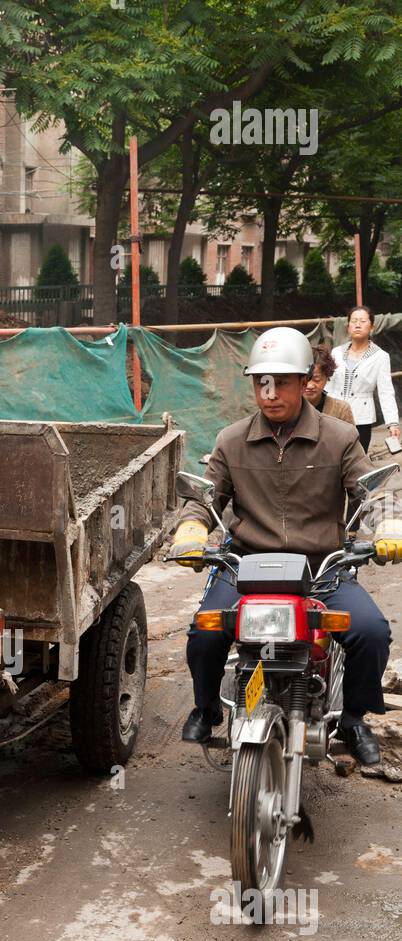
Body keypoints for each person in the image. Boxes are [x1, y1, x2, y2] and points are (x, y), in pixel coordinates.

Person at [170, 325, 402, 766]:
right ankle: (207, 707)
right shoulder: (231, 438)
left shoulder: (340, 437)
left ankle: (352, 719)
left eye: (281, 382)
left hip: (322, 568)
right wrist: (193, 531)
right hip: (247, 566)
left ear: (304, 382)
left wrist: (389, 525)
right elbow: (204, 498)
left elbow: (372, 492)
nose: (270, 393)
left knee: (372, 633)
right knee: (204, 632)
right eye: (261, 382)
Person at [326, 305, 400, 454]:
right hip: (332, 416)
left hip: (361, 417)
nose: (358, 324)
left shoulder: (380, 356)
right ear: (348, 327)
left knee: (357, 461)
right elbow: (327, 386)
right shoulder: (336, 352)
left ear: (372, 327)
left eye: (363, 321)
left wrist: (392, 423)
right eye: (353, 321)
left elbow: (386, 392)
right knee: (331, 458)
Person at [304, 343, 355, 424]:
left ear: (327, 377)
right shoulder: (288, 407)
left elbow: (351, 436)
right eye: (306, 379)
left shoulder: (341, 409)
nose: (310, 385)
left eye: (317, 379)